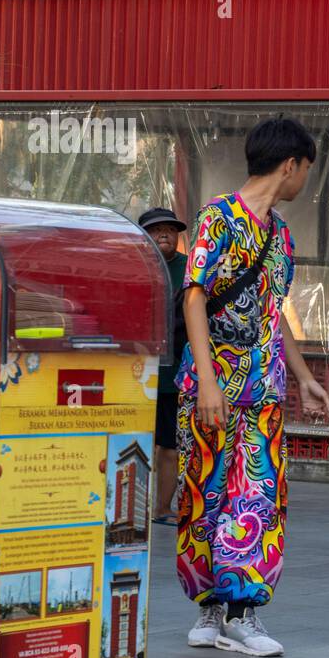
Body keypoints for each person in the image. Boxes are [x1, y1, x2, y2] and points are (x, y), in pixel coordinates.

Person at [175, 117, 329, 657]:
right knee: (204, 494)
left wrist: (306, 376)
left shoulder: (280, 235)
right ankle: (209, 610)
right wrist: (209, 383)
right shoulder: (217, 218)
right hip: (209, 387)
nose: (305, 179)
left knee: (258, 499)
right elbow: (194, 296)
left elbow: (274, 314)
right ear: (291, 164)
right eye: (306, 168)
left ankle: (243, 615)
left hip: (263, 393)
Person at [138, 206, 189, 525]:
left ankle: (161, 508)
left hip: (175, 373)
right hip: (135, 372)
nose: (165, 234)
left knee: (170, 446)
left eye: (170, 229)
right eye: (157, 230)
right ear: (143, 235)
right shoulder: (133, 264)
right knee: (135, 443)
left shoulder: (189, 268)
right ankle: (127, 510)